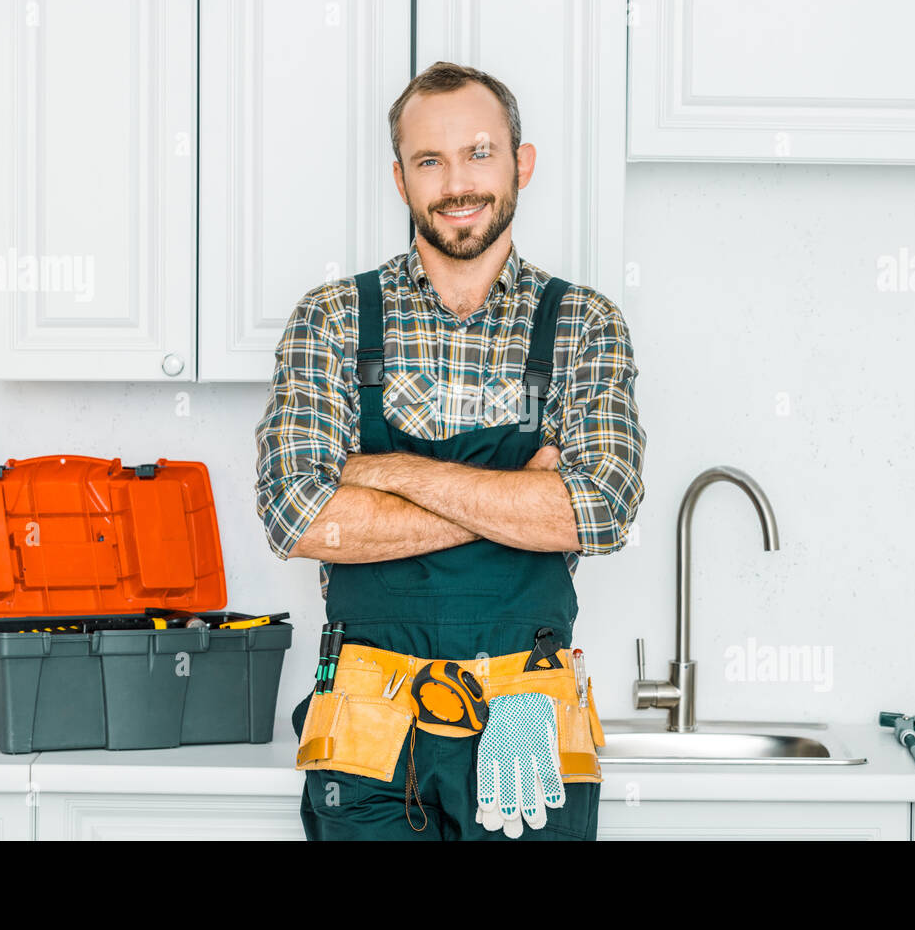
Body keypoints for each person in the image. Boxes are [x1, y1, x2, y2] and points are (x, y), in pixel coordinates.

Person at [254, 61, 645, 840]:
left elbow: (598, 510)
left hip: (526, 710)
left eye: (478, 153)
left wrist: (387, 473)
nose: (456, 182)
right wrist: (517, 499)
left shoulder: (583, 325)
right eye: (430, 161)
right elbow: (298, 517)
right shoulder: (333, 318)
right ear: (400, 179)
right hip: (366, 726)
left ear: (520, 163)